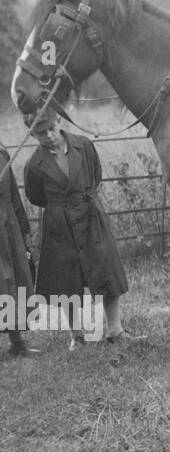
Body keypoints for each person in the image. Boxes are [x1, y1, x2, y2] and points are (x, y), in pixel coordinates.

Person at [23, 111, 131, 349]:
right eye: (41, 133)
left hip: (90, 213)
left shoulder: (83, 145)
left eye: (51, 128)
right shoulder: (34, 165)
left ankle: (115, 329)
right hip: (59, 224)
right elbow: (35, 196)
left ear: (59, 122)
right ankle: (77, 336)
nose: (49, 135)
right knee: (66, 279)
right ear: (32, 134)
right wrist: (61, 207)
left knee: (105, 269)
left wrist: (80, 199)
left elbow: (96, 175)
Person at [1, 143, 37, 357]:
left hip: (8, 226)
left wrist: (23, 228)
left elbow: (13, 192)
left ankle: (17, 342)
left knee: (11, 280)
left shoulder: (1, 152)